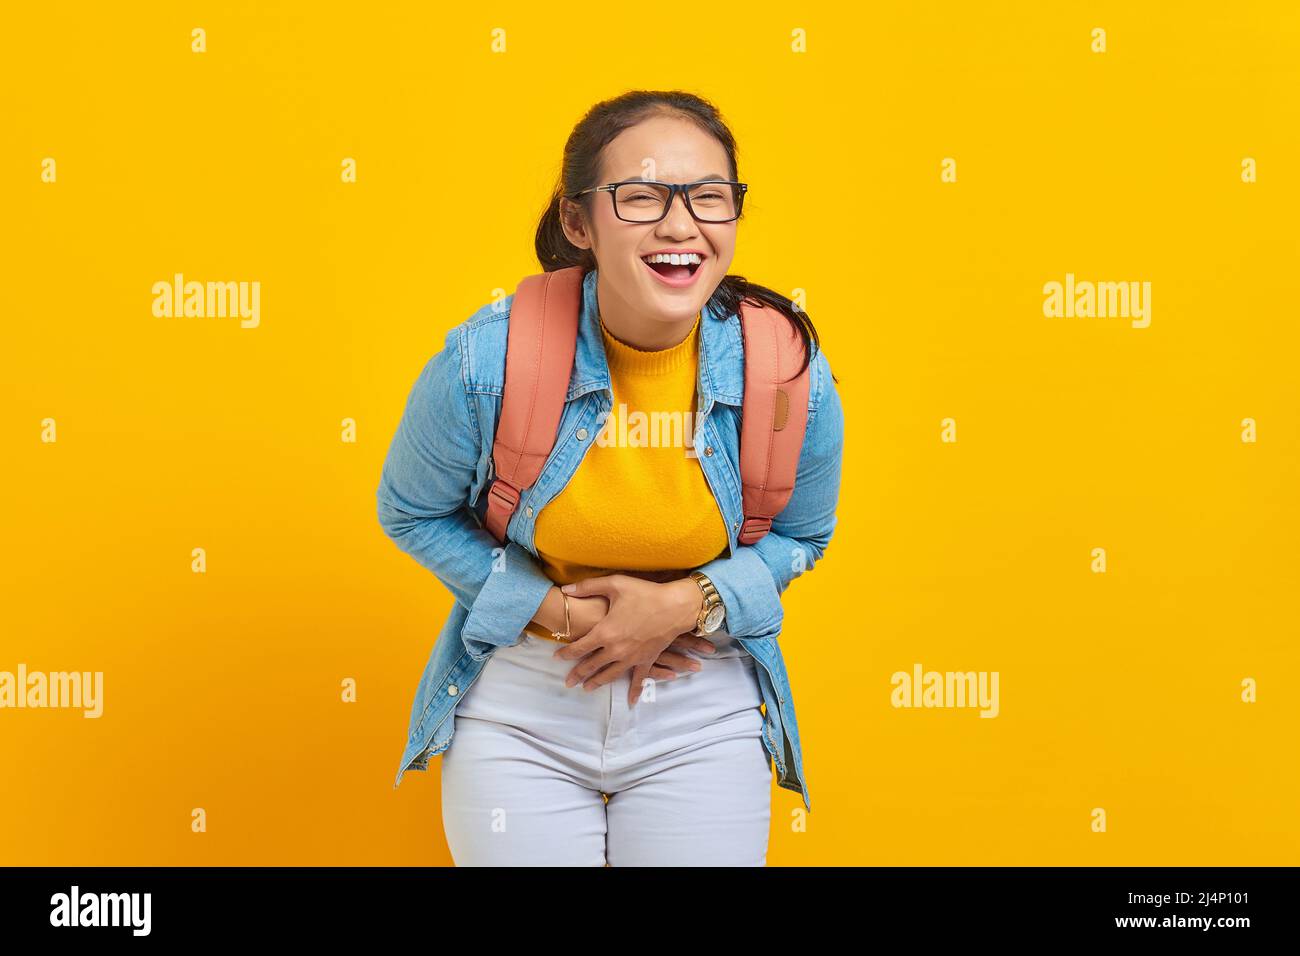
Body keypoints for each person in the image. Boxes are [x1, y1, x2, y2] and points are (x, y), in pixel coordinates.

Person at [377, 89, 845, 865]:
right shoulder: (484, 362)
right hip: (523, 704)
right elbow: (411, 512)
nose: (680, 225)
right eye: (640, 197)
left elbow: (803, 534)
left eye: (709, 197)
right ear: (577, 222)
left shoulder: (786, 371)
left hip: (702, 705)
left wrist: (680, 606)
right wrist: (559, 613)